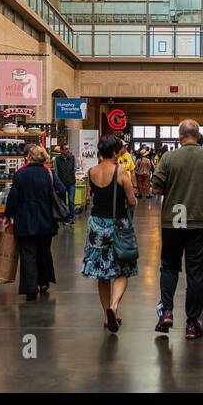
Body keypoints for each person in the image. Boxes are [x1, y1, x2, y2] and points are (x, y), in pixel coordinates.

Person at [151, 119, 203, 339]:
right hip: (200, 220)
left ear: (180, 136)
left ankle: (166, 311)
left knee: (169, 267)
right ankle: (193, 323)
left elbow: (156, 187)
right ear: (199, 135)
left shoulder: (168, 157)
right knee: (196, 273)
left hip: (174, 220)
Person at [81, 134, 137, 332]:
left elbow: (91, 196)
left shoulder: (92, 172)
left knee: (102, 273)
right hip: (117, 225)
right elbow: (131, 201)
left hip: (96, 224)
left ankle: (107, 314)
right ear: (114, 152)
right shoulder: (121, 172)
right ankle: (114, 306)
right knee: (123, 268)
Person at [4, 144, 65, 301]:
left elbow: (13, 198)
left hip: (25, 220)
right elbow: (62, 189)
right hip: (46, 220)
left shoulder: (20, 174)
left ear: (29, 157)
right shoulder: (48, 173)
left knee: (28, 254)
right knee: (44, 252)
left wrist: (8, 215)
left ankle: (30, 288)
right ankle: (44, 282)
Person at [53, 144, 77, 223]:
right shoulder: (57, 160)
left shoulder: (73, 158)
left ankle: (72, 218)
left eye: (68, 148)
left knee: (71, 201)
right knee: (63, 202)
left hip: (71, 183)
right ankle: (64, 218)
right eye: (66, 149)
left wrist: (72, 177)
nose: (68, 150)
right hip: (62, 184)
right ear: (61, 150)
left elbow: (74, 169)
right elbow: (56, 172)